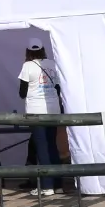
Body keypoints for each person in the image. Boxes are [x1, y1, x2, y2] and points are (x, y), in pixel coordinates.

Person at [19, 44, 64, 192]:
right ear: (42, 50)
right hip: (53, 110)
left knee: (42, 147)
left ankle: (47, 186)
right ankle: (58, 184)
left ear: (28, 51)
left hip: (36, 112)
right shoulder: (52, 63)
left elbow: (22, 92)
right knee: (52, 146)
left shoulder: (27, 66)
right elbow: (58, 88)